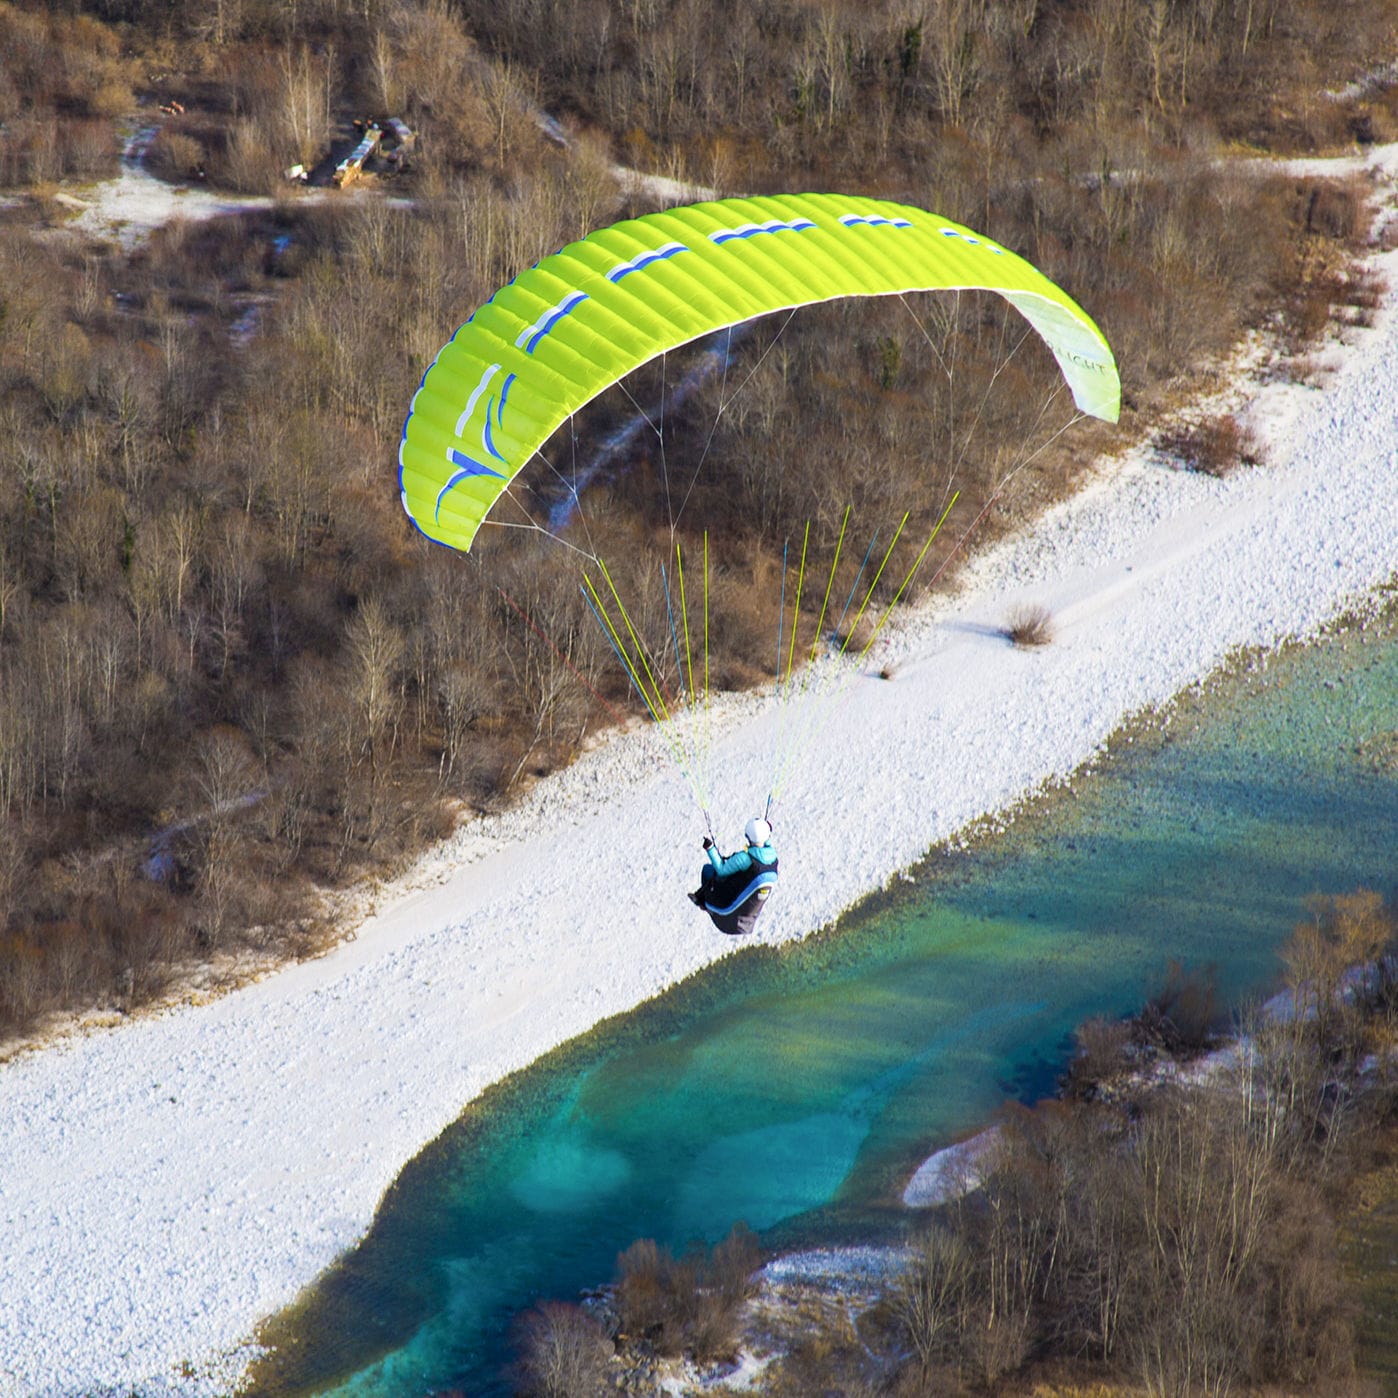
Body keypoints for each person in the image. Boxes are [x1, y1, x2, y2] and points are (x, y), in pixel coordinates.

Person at [689, 817, 778, 935]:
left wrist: (710, 849)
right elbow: (765, 843)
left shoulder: (745, 859)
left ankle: (702, 900)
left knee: (708, 870)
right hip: (746, 913)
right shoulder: (772, 858)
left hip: (727, 913)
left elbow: (721, 870)